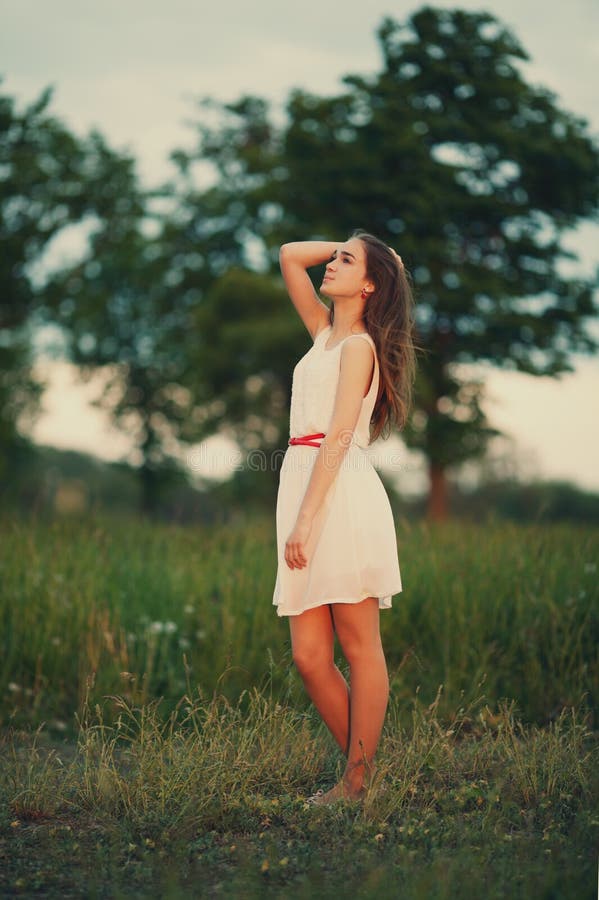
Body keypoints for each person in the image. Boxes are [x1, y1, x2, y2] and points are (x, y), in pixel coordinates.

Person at [272, 230, 417, 805]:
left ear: (370, 285)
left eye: (345, 261)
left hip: (338, 493)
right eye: (333, 257)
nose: (331, 264)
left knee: (359, 644)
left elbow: (337, 436)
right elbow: (289, 256)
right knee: (309, 656)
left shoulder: (358, 346)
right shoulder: (322, 335)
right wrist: (360, 245)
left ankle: (355, 782)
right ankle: (364, 777)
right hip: (301, 484)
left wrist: (306, 519)